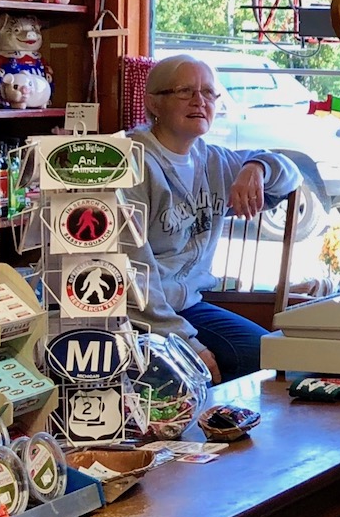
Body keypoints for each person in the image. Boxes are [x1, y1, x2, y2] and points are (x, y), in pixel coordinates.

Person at [129, 54, 300, 382]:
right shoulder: (132, 164)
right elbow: (132, 275)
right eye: (184, 91)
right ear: (153, 103)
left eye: (208, 92)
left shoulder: (212, 160)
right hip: (137, 315)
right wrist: (186, 341)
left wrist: (257, 167)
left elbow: (291, 175)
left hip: (189, 304)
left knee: (276, 359)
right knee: (227, 369)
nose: (199, 101)